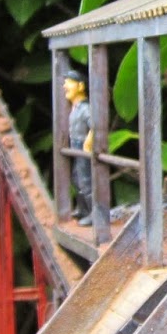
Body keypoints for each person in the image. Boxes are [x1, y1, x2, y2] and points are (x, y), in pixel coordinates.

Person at [62, 67, 94, 224]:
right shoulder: (75, 108)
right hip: (75, 145)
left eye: (69, 83)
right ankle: (83, 209)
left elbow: (95, 126)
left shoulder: (85, 108)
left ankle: (95, 213)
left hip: (82, 145)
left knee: (86, 180)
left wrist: (88, 141)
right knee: (77, 178)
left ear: (80, 86)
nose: (65, 86)